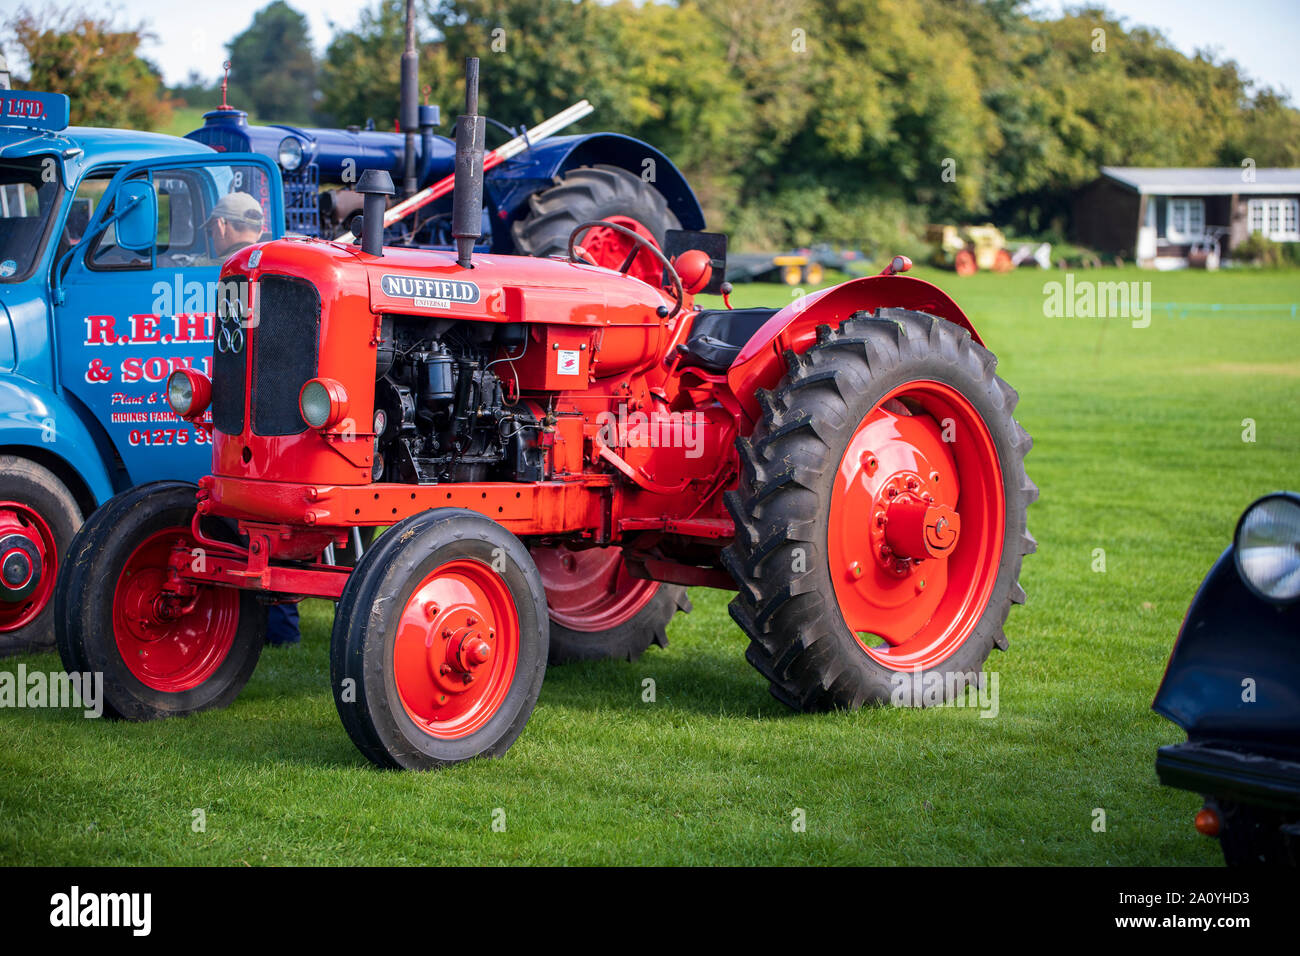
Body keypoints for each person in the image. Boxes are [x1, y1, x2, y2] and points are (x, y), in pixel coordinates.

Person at [197, 192, 300, 645]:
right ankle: (270, 625)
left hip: (263, 418)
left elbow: (240, 346)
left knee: (271, 523)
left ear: (221, 226)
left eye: (212, 227)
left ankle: (277, 627)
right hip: (263, 419)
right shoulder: (278, 269)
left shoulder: (253, 272)